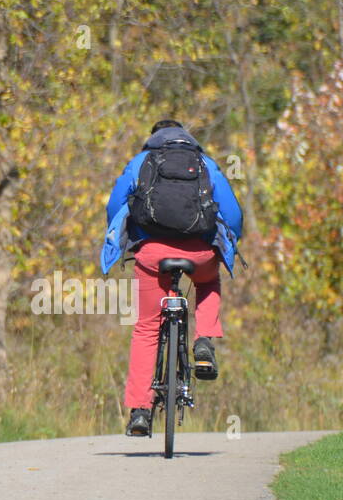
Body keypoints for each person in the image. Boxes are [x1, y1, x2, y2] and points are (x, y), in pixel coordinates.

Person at [100, 119, 243, 436]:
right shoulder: (205, 162)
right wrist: (232, 239)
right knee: (208, 280)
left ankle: (139, 411)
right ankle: (203, 338)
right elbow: (232, 212)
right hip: (199, 255)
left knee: (147, 327)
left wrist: (122, 235)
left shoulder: (142, 161)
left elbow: (115, 205)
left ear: (153, 137)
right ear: (186, 138)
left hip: (152, 255)